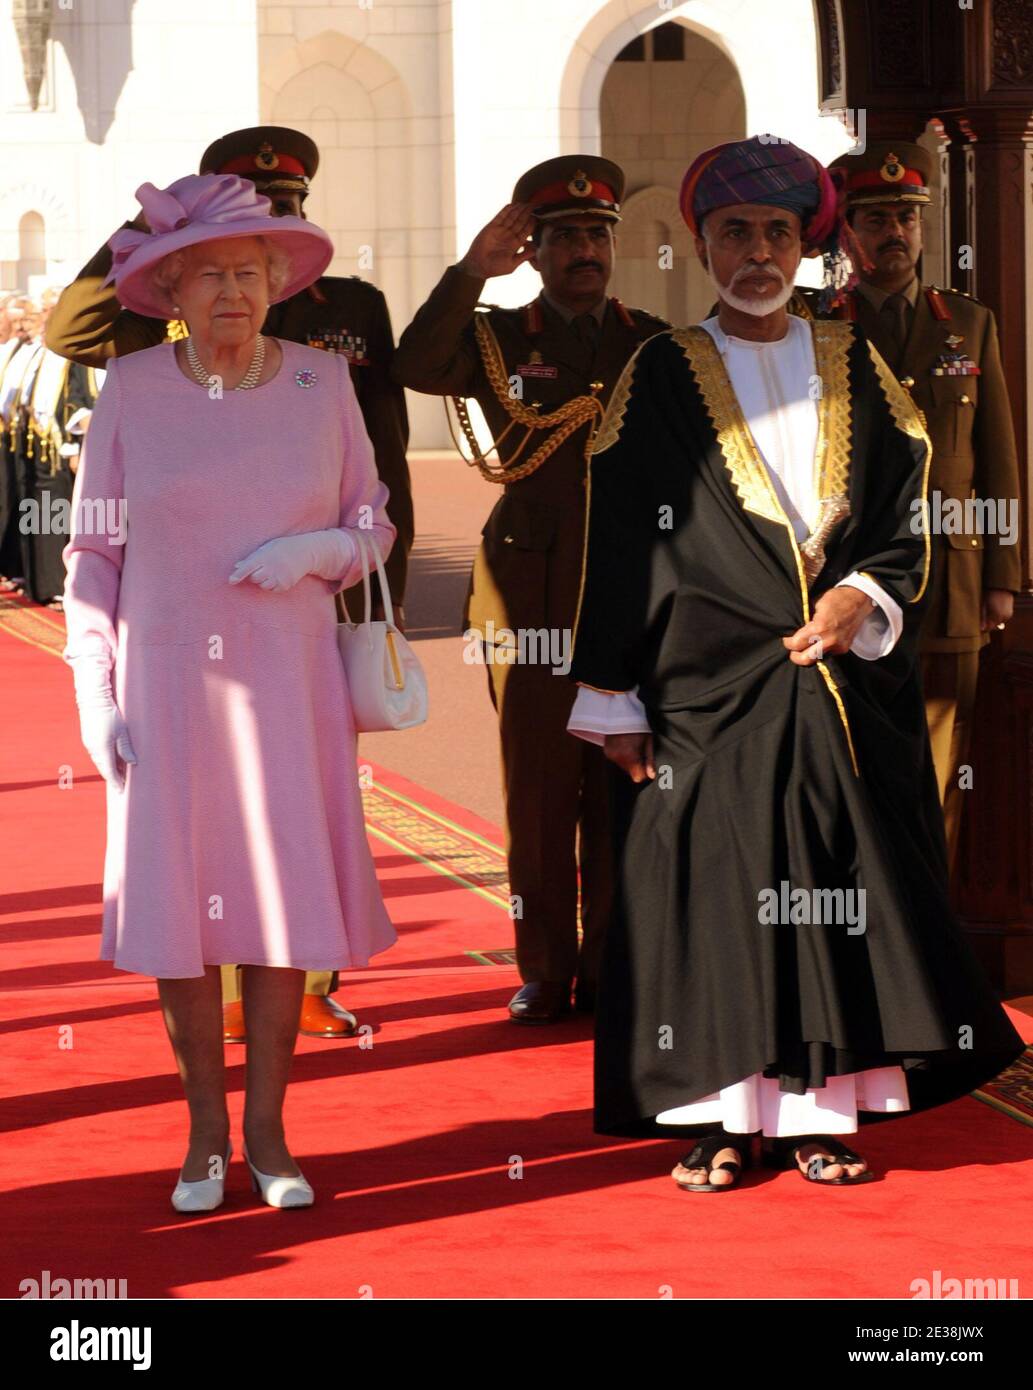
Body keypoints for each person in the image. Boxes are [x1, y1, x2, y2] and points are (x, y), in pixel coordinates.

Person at [567, 136, 1026, 1191]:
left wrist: (860, 592)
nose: (758, 252)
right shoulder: (659, 370)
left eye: (778, 232)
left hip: (833, 676)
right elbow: (622, 537)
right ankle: (723, 1118)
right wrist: (611, 690)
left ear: (806, 244)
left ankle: (824, 1109)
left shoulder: (851, 359)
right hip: (700, 684)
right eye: (736, 233)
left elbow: (903, 505)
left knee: (829, 886)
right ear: (699, 244)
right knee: (718, 892)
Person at [62, 173, 397, 1211]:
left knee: (278, 901)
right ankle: (205, 1133)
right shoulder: (130, 390)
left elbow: (375, 523)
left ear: (274, 284)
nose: (231, 293)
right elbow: (91, 553)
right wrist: (95, 692)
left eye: (248, 273)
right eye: (207, 275)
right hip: (166, 686)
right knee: (183, 910)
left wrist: (323, 547)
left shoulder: (318, 384)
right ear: (170, 289)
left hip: (288, 688)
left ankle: (269, 1133)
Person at [393, 156, 668, 1023]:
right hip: (528, 587)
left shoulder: (655, 342)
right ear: (535, 251)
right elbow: (414, 364)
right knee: (539, 783)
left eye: (596, 235)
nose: (583, 249)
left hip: (635, 586)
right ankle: (547, 967)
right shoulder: (497, 337)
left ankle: (617, 961)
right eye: (563, 238)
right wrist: (471, 272)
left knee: (624, 778)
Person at [827, 141, 1022, 865]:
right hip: (847, 578)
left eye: (906, 217)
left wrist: (1001, 574)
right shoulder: (818, 325)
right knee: (852, 759)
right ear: (846, 230)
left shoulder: (965, 323)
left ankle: (924, 939)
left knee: (941, 772)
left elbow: (998, 459)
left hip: (951, 581)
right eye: (875, 218)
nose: (894, 233)